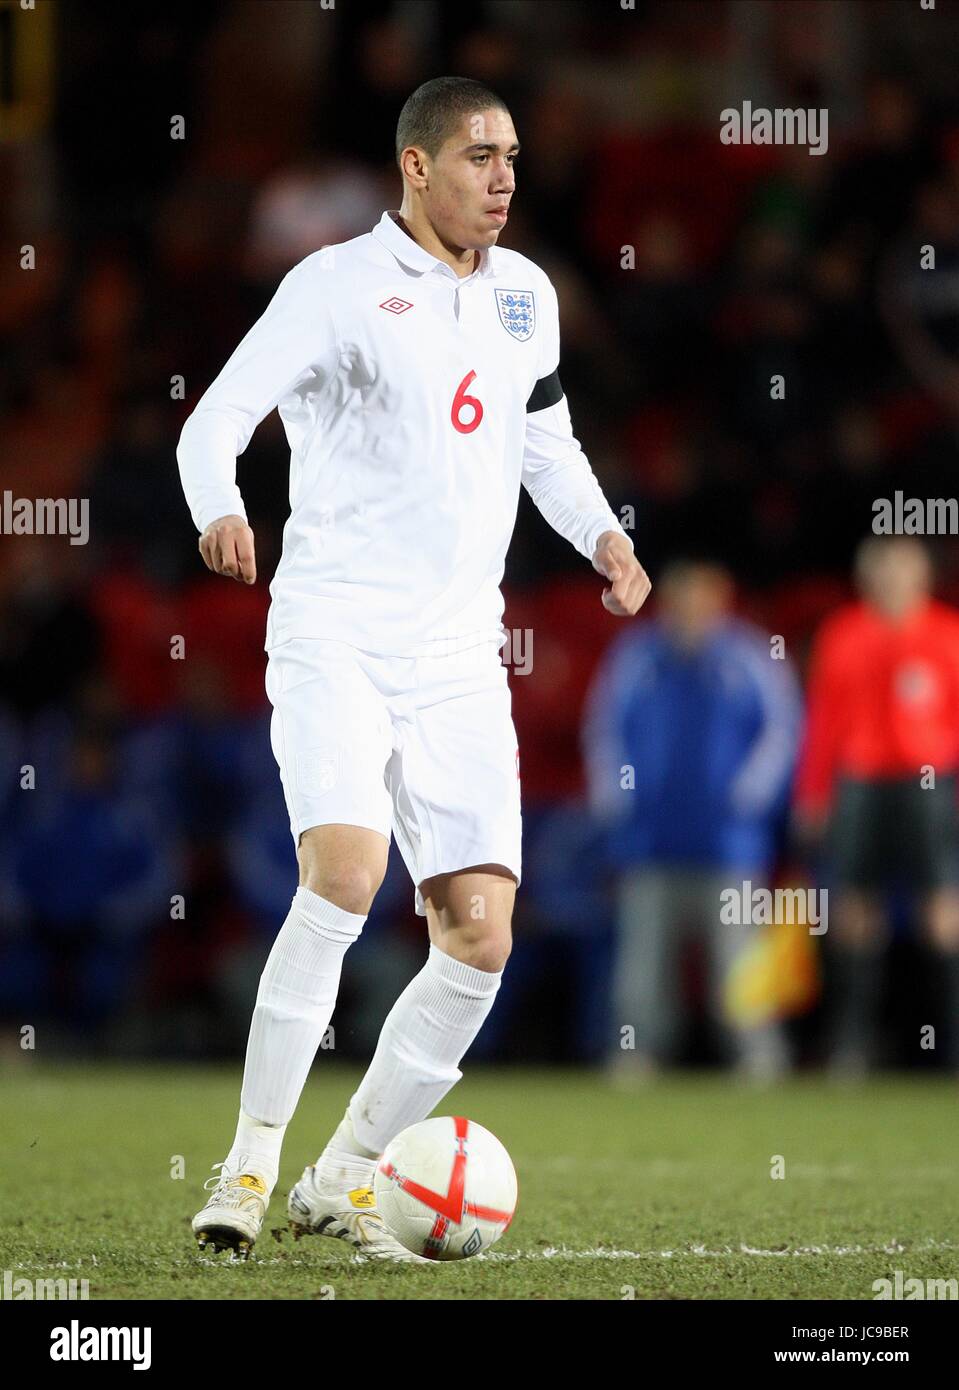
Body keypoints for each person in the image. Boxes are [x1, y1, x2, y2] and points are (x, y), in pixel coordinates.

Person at [176, 75, 650, 1261]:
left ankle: (342, 1174)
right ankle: (244, 1165)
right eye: (478, 155)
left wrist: (602, 533)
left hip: (456, 652)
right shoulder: (334, 286)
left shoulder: (525, 298)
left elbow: (545, 438)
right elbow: (213, 419)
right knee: (343, 876)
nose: (501, 177)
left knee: (479, 935)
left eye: (512, 156)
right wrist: (219, 508)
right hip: (334, 628)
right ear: (415, 167)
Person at [583, 559, 801, 1080]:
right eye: (680, 600)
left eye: (700, 600)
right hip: (651, 839)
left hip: (728, 842)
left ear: (719, 600)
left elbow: (780, 731)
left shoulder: (749, 657)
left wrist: (747, 796)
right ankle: (637, 1052)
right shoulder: (637, 657)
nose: (690, 611)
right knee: (642, 962)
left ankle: (756, 1054)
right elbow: (604, 727)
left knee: (738, 956)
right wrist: (615, 795)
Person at [794, 536, 959, 1074]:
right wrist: (813, 794)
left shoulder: (947, 634)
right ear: (868, 578)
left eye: (903, 570)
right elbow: (823, 722)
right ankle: (852, 1047)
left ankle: (948, 1048)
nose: (893, 580)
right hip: (859, 782)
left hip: (928, 783)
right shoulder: (845, 633)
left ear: (922, 577)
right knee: (853, 914)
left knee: (942, 913)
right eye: (883, 570)